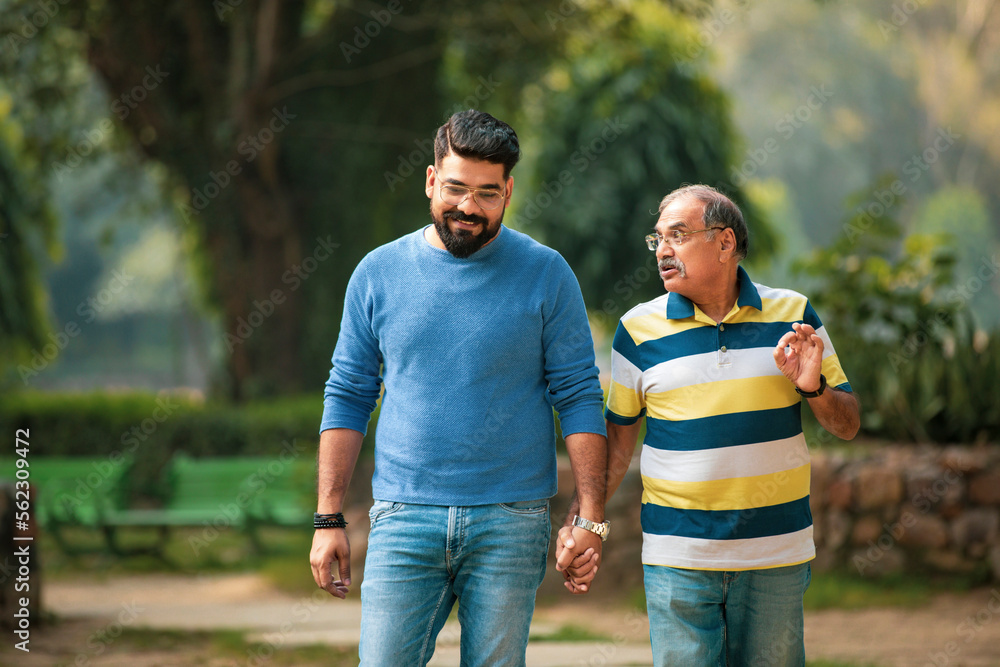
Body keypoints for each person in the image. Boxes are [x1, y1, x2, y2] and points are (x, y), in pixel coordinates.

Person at [309, 109, 609, 666]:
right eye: (455, 188)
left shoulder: (547, 274)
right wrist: (329, 517)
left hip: (511, 521)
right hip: (403, 517)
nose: (469, 207)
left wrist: (589, 517)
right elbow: (348, 393)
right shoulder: (377, 273)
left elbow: (579, 396)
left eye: (487, 194)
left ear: (509, 192)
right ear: (430, 181)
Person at [560, 184, 860, 666]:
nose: (663, 250)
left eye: (678, 235)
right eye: (657, 238)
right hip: (678, 559)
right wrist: (585, 523)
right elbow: (617, 444)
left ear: (724, 243)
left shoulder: (795, 316)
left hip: (775, 556)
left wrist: (813, 387)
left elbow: (847, 425)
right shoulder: (637, 330)